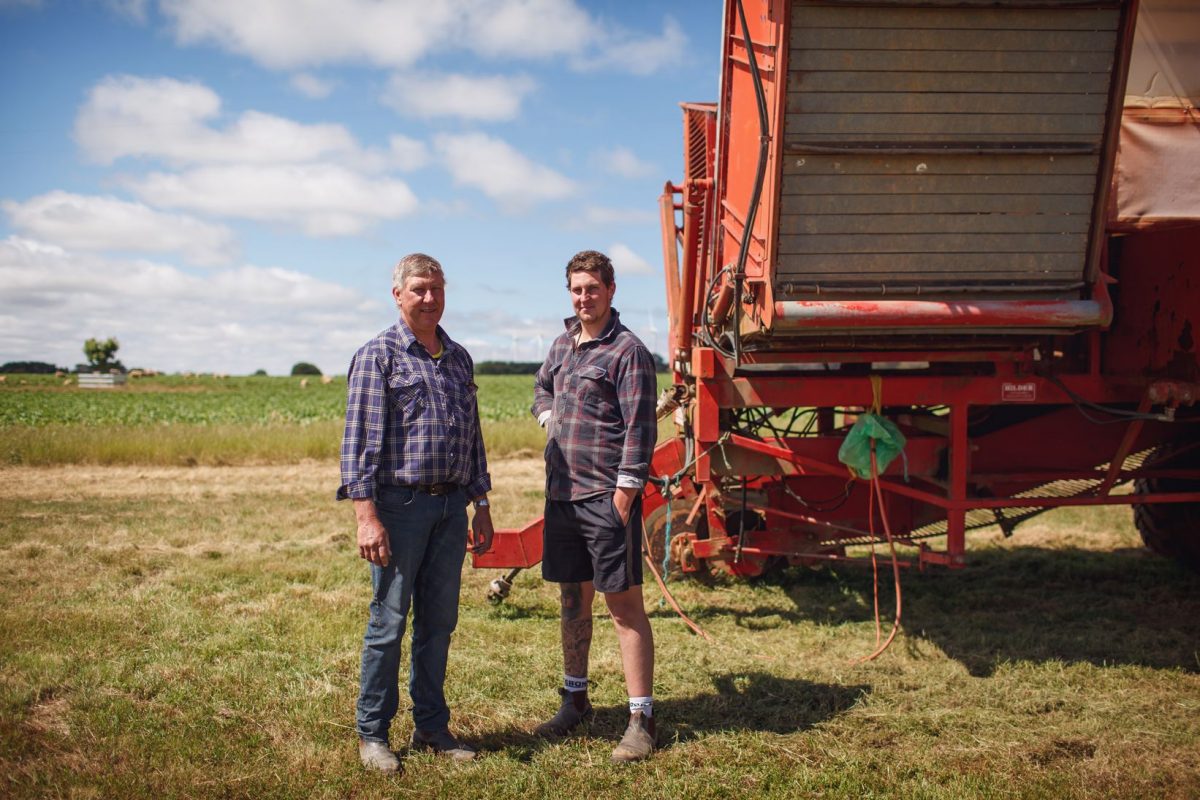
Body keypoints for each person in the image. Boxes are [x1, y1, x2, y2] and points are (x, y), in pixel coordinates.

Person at [338, 252, 494, 773]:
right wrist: (366, 515)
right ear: (398, 294)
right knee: (388, 622)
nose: (430, 299)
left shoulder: (458, 358)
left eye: (437, 289)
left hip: (452, 506)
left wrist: (481, 502)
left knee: (439, 623)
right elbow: (359, 442)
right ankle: (373, 733)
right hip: (399, 507)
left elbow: (472, 437)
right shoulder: (378, 355)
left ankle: (431, 726)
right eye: (419, 289)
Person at [531, 249, 659, 763]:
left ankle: (642, 718)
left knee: (622, 605)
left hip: (607, 497)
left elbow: (641, 427)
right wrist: (548, 418)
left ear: (610, 290)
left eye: (593, 288)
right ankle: (576, 699)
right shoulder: (563, 344)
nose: (584, 297)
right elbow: (542, 388)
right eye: (576, 289)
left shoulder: (628, 351)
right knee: (571, 600)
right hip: (562, 496)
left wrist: (627, 489)